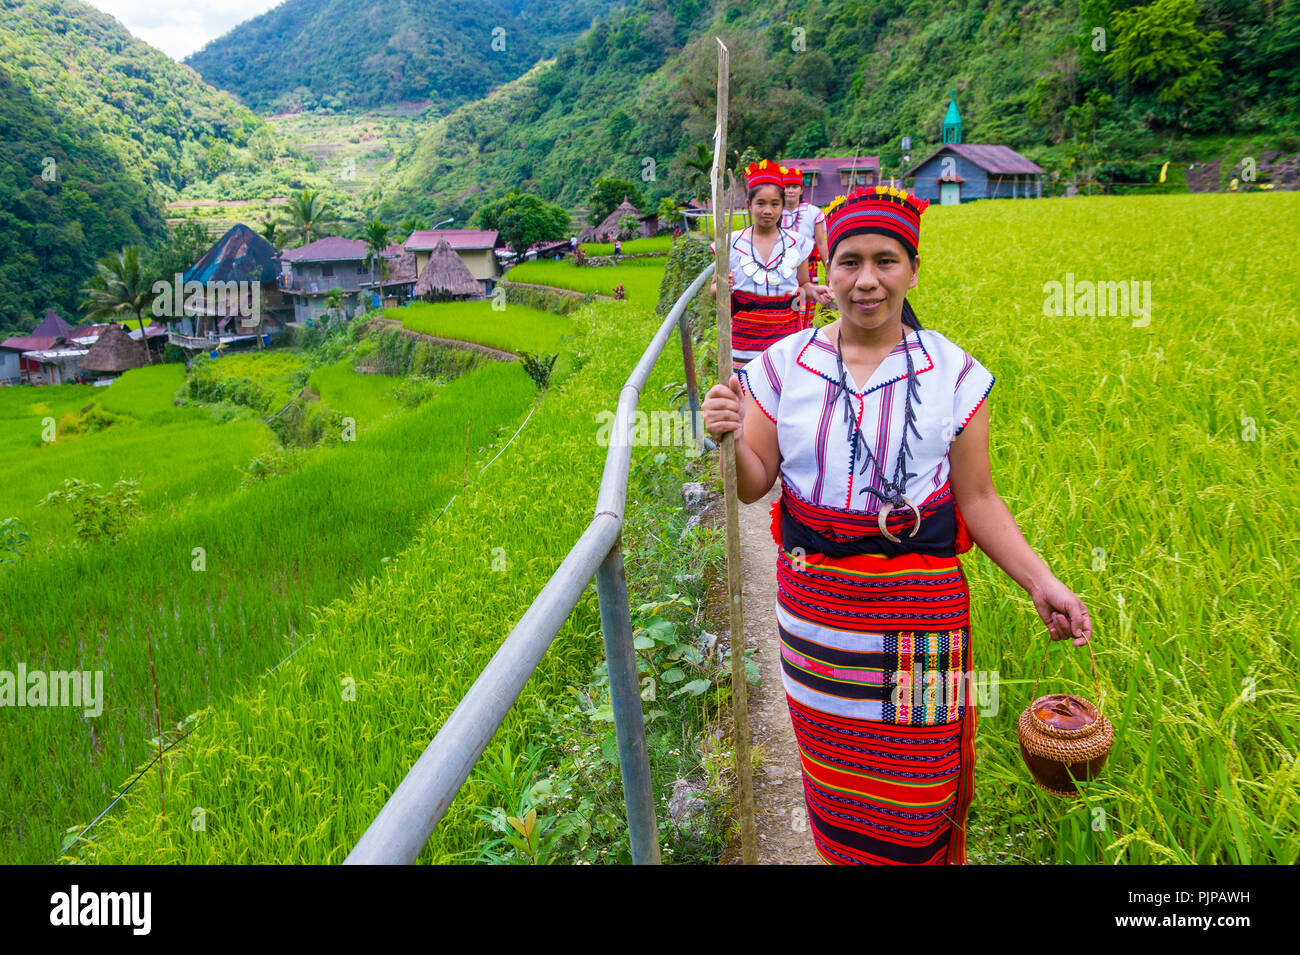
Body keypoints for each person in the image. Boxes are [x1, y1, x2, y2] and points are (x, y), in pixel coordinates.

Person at [701, 185, 1092, 865]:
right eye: (849, 261)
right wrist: (728, 437)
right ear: (825, 271)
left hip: (923, 621)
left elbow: (979, 501)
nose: (867, 279)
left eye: (886, 260)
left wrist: (1042, 580)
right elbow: (753, 485)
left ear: (912, 269)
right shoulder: (781, 366)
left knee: (919, 793)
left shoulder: (954, 373)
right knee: (838, 789)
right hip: (820, 626)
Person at [709, 159, 834, 374]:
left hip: (784, 334)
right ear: (749, 204)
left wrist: (815, 291)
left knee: (781, 391)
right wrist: (721, 286)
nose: (768, 210)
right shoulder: (731, 243)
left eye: (775, 204)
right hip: (744, 337)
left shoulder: (797, 243)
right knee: (744, 391)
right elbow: (713, 290)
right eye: (760, 203)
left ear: (782, 206)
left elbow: (803, 285)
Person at [780, 166, 829, 327]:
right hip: (781, 268)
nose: (790, 191)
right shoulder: (776, 212)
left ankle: (803, 333)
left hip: (807, 267)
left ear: (801, 190)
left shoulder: (813, 212)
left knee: (805, 306)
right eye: (786, 187)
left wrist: (830, 271)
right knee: (785, 304)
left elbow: (821, 243)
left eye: (794, 187)